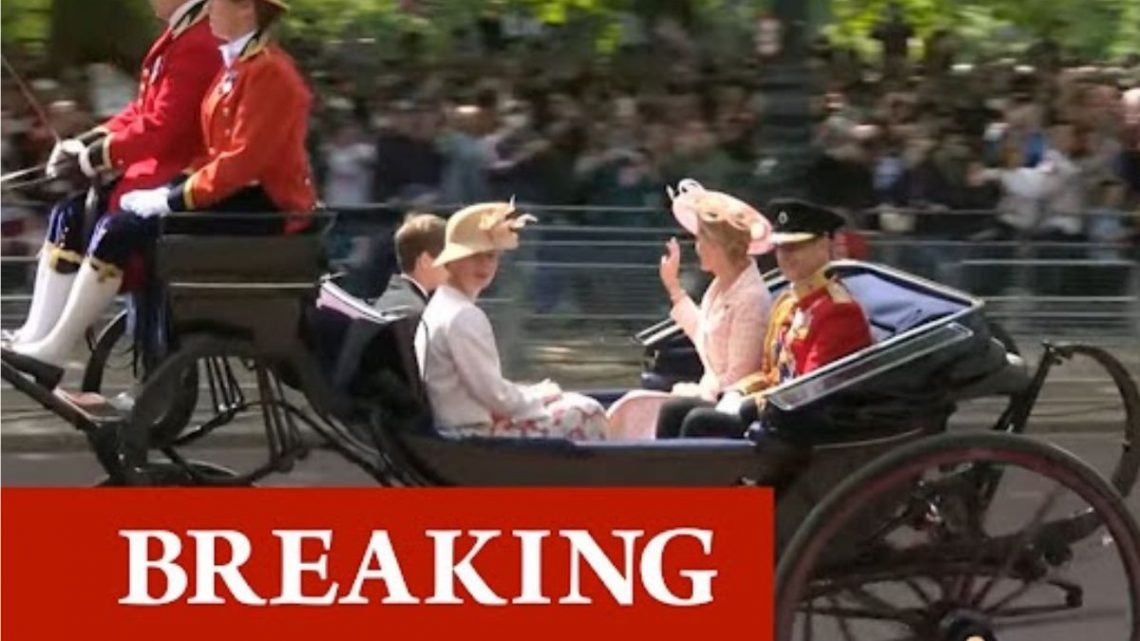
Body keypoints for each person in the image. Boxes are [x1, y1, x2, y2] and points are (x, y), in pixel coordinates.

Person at [4, 0, 314, 388]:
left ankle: (55, 350)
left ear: (246, 10)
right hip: (233, 193)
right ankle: (44, 341)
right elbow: (204, 146)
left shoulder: (270, 72)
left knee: (117, 230)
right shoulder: (237, 63)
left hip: (266, 206)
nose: (210, 9)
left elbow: (240, 162)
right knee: (86, 217)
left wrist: (173, 196)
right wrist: (92, 148)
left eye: (218, 3)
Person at [1, 0, 221, 349]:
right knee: (67, 216)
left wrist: (95, 157)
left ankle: (54, 350)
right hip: (152, 172)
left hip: (173, 178)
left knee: (108, 231)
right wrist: (87, 143)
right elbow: (141, 111)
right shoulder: (179, 36)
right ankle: (35, 336)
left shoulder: (199, 43)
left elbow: (163, 128)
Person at [656, 199, 873, 439]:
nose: (786, 256)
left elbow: (808, 390)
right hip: (778, 409)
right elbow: (771, 373)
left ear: (823, 244)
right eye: (781, 248)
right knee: (675, 411)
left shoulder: (838, 311)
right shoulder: (787, 303)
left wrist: (750, 403)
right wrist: (739, 392)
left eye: (796, 247)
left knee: (700, 422)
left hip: (800, 425)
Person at [415, 201, 607, 440]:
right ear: (450, 262)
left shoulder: (443, 305)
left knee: (572, 402)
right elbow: (494, 396)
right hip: (471, 435)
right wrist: (538, 397)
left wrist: (533, 393)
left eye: (491, 256)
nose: (485, 265)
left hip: (460, 427)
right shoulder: (462, 315)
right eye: (474, 256)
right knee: (588, 410)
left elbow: (487, 389)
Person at [606, 179, 773, 438]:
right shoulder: (720, 286)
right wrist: (674, 288)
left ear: (724, 245)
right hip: (712, 393)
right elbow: (706, 336)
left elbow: (739, 376)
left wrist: (697, 392)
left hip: (734, 401)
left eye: (704, 238)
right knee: (633, 405)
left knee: (675, 409)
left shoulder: (751, 297)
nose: (698, 247)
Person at [372, 212, 447, 317]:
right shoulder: (409, 311)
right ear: (425, 261)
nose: (451, 267)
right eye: (447, 259)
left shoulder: (403, 300)